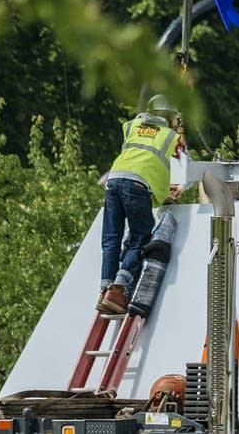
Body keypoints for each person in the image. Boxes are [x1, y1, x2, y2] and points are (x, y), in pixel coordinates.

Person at [98, 94, 186, 316]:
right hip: (137, 185)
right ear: (168, 116)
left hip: (114, 180)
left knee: (111, 239)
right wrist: (167, 193)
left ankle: (104, 289)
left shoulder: (131, 126)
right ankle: (118, 288)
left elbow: (141, 156)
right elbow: (179, 163)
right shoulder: (171, 136)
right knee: (141, 237)